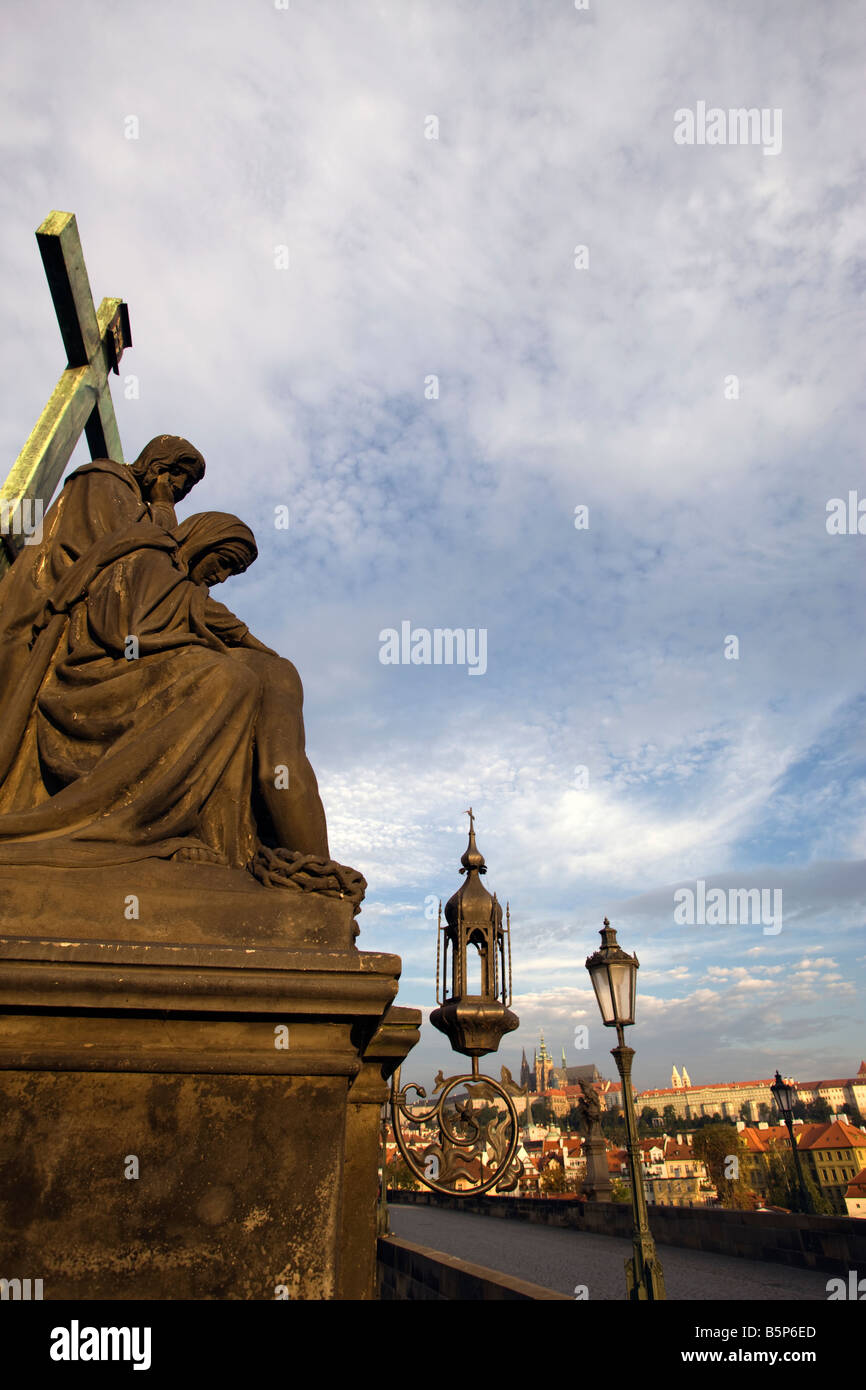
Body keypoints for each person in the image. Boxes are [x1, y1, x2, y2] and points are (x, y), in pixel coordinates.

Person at [0, 511, 334, 883]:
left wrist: (239, 641)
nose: (221, 576)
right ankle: (148, 823)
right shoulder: (147, 554)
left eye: (231, 573)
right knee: (227, 678)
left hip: (143, 670)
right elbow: (127, 636)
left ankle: (206, 834)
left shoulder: (178, 586)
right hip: (100, 675)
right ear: (204, 539)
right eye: (223, 562)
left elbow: (208, 618)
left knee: (231, 678)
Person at [0, 434, 206, 784]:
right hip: (49, 605)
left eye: (181, 490)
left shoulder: (132, 501)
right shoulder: (102, 479)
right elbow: (133, 555)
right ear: (158, 466)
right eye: (173, 480)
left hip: (96, 610)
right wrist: (162, 508)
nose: (173, 491)